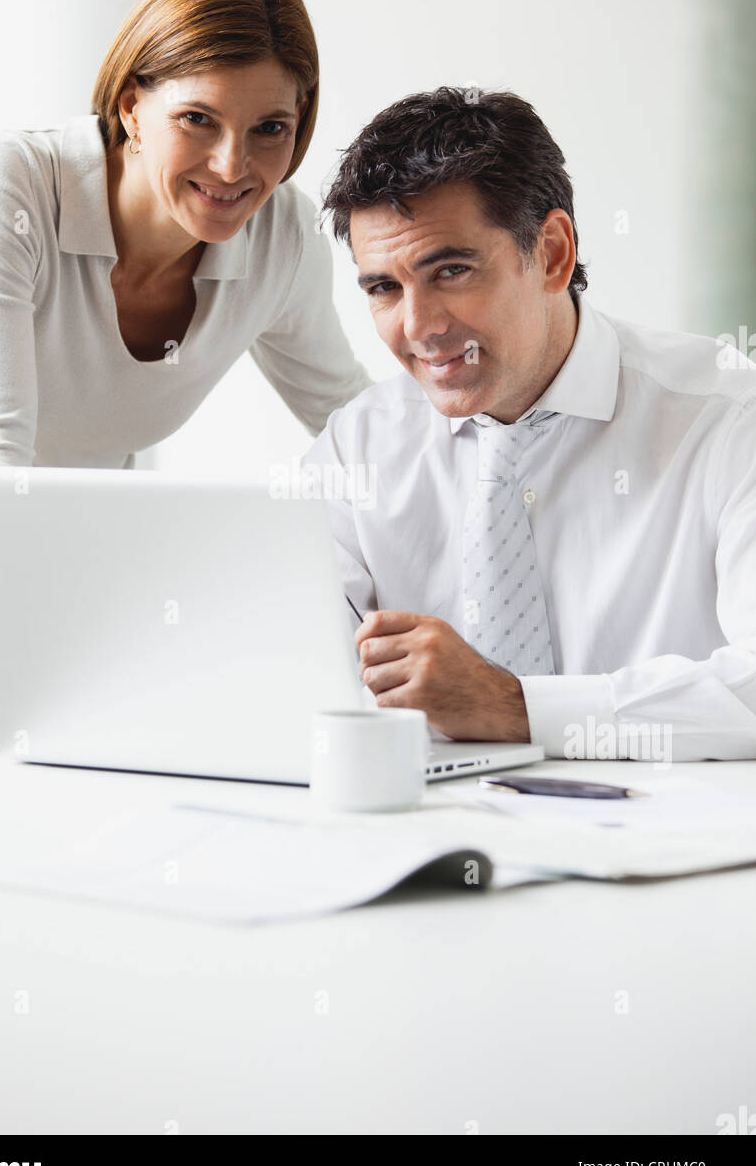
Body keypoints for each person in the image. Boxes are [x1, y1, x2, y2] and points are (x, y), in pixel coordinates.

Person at [0, 0, 371, 859]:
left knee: (90, 861)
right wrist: (31, 694)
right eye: (199, 119)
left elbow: (357, 429)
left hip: (66, 599)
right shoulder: (20, 186)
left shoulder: (281, 239)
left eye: (271, 127)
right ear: (130, 107)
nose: (237, 166)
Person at [302, 86, 756, 762]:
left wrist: (516, 708)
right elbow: (289, 678)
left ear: (550, 253)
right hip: (434, 836)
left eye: (451, 270)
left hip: (675, 850)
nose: (419, 327)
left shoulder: (728, 419)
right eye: (384, 288)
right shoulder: (355, 449)